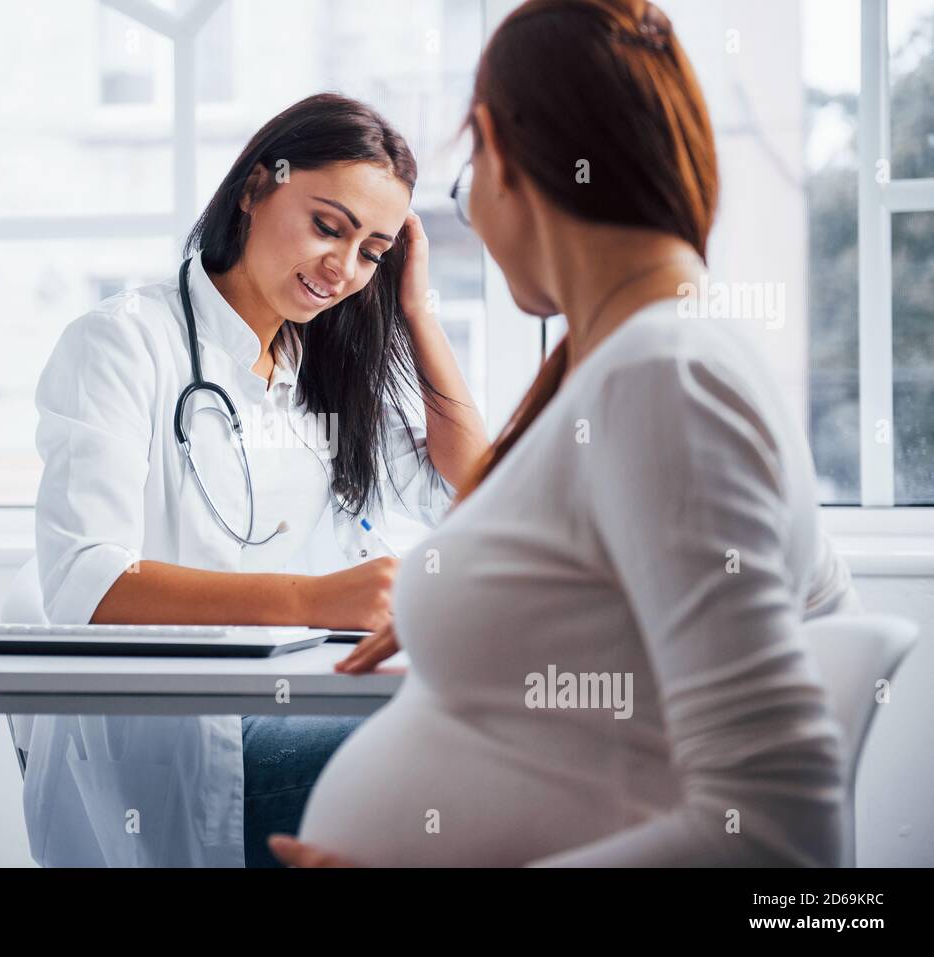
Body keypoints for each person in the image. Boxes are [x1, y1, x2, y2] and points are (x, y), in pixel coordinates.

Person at [279, 0, 858, 868]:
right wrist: (493, 600)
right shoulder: (653, 362)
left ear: (496, 153)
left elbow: (782, 844)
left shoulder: (666, 378)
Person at [22, 93, 489, 867]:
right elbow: (87, 586)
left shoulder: (315, 373)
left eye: (372, 251)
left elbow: (474, 480)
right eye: (327, 226)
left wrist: (418, 313)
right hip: (175, 741)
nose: (343, 269)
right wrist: (315, 599)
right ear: (254, 188)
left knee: (495, 741)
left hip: (281, 705)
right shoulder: (122, 345)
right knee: (479, 765)